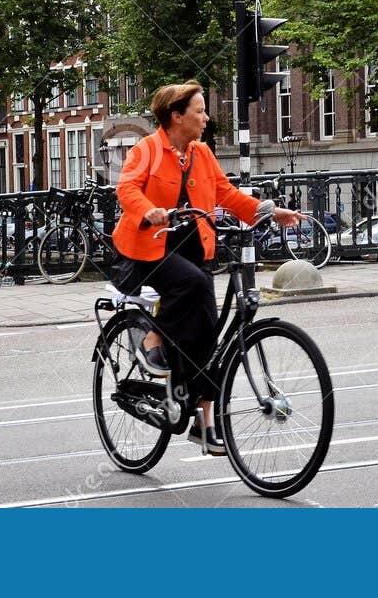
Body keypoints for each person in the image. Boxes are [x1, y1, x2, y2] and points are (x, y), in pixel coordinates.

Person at [113, 81, 302, 456]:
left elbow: (227, 195)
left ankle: (204, 422)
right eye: (199, 111)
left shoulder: (201, 152)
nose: (206, 117)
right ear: (176, 116)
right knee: (195, 286)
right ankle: (152, 337)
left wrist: (269, 211)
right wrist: (147, 211)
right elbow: (127, 189)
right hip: (146, 250)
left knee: (206, 338)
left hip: (191, 249)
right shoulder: (147, 150)